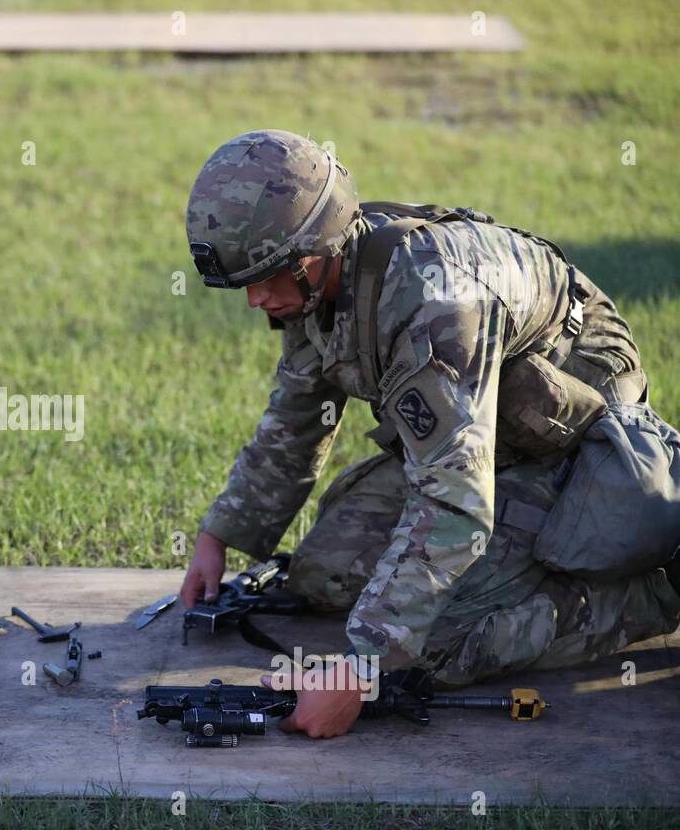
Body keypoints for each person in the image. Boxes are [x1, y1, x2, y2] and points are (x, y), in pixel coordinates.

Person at [179, 129, 680, 738]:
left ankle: (646, 593)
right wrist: (221, 534)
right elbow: (296, 418)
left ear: (317, 247)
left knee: (426, 648)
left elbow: (454, 503)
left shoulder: (434, 304)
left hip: (577, 446)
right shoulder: (312, 285)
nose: (256, 299)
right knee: (326, 574)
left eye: (268, 277)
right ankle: (526, 565)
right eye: (246, 282)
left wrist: (361, 670)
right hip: (487, 438)